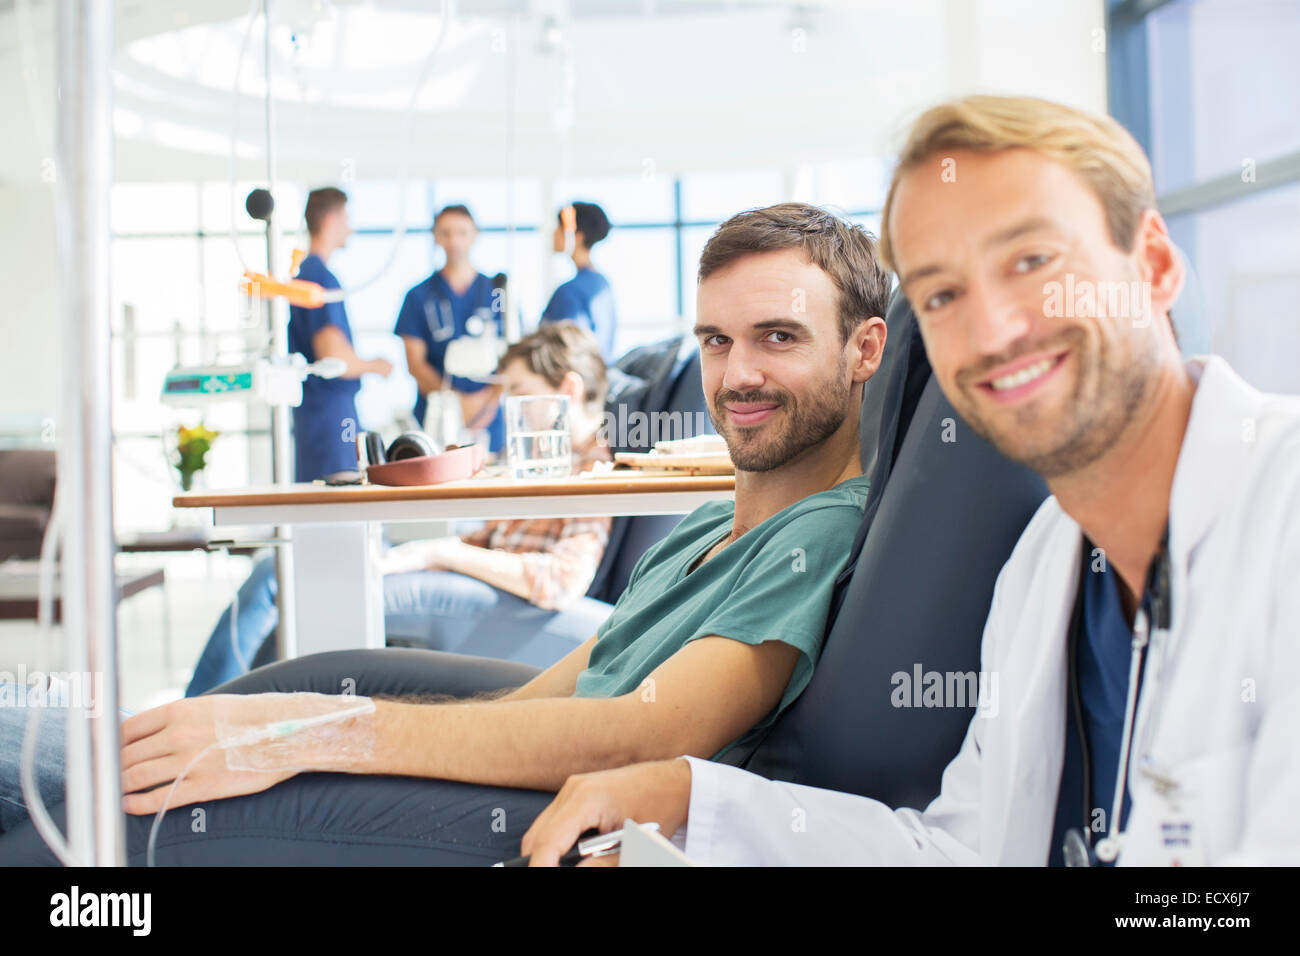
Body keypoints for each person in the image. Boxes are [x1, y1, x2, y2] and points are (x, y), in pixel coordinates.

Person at [519, 95, 1300, 868]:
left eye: (1032, 262)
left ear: (1154, 265)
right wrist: (689, 806)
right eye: (943, 294)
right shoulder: (1046, 567)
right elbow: (960, 848)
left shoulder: (1281, 508)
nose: (991, 331)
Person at [0, 202, 889, 865]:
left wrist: (311, 736)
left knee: (77, 805)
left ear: (866, 349)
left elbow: (642, 739)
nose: (737, 374)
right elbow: (548, 700)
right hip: (521, 771)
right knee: (70, 763)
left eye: (779, 337)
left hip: (554, 821)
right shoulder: (707, 526)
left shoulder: (819, 536)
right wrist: (297, 723)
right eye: (717, 341)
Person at [184, 323, 618, 696]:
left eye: (520, 391)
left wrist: (441, 553)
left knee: (300, 583)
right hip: (476, 586)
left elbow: (561, 580)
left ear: (568, 389)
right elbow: (488, 542)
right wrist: (425, 554)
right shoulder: (553, 462)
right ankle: (215, 710)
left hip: (512, 607)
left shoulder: (595, 469)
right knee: (286, 568)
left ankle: (205, 711)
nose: (509, 406)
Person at [287, 187, 393, 482]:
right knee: (337, 497)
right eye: (347, 219)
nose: (351, 228)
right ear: (331, 221)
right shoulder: (319, 278)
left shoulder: (306, 274)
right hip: (330, 418)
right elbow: (333, 358)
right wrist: (375, 365)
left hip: (318, 416)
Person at [394, 204, 505, 453]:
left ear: (475, 235)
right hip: (437, 418)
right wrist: (455, 403)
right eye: (446, 233)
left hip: (489, 419)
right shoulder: (418, 296)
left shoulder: (498, 293)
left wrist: (485, 405)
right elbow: (415, 364)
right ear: (436, 237)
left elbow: (512, 359)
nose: (454, 241)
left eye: (462, 233)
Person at [541, 201, 618, 360]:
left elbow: (561, 353)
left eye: (559, 227)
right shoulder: (602, 285)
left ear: (577, 236)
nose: (554, 233)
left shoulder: (570, 292)